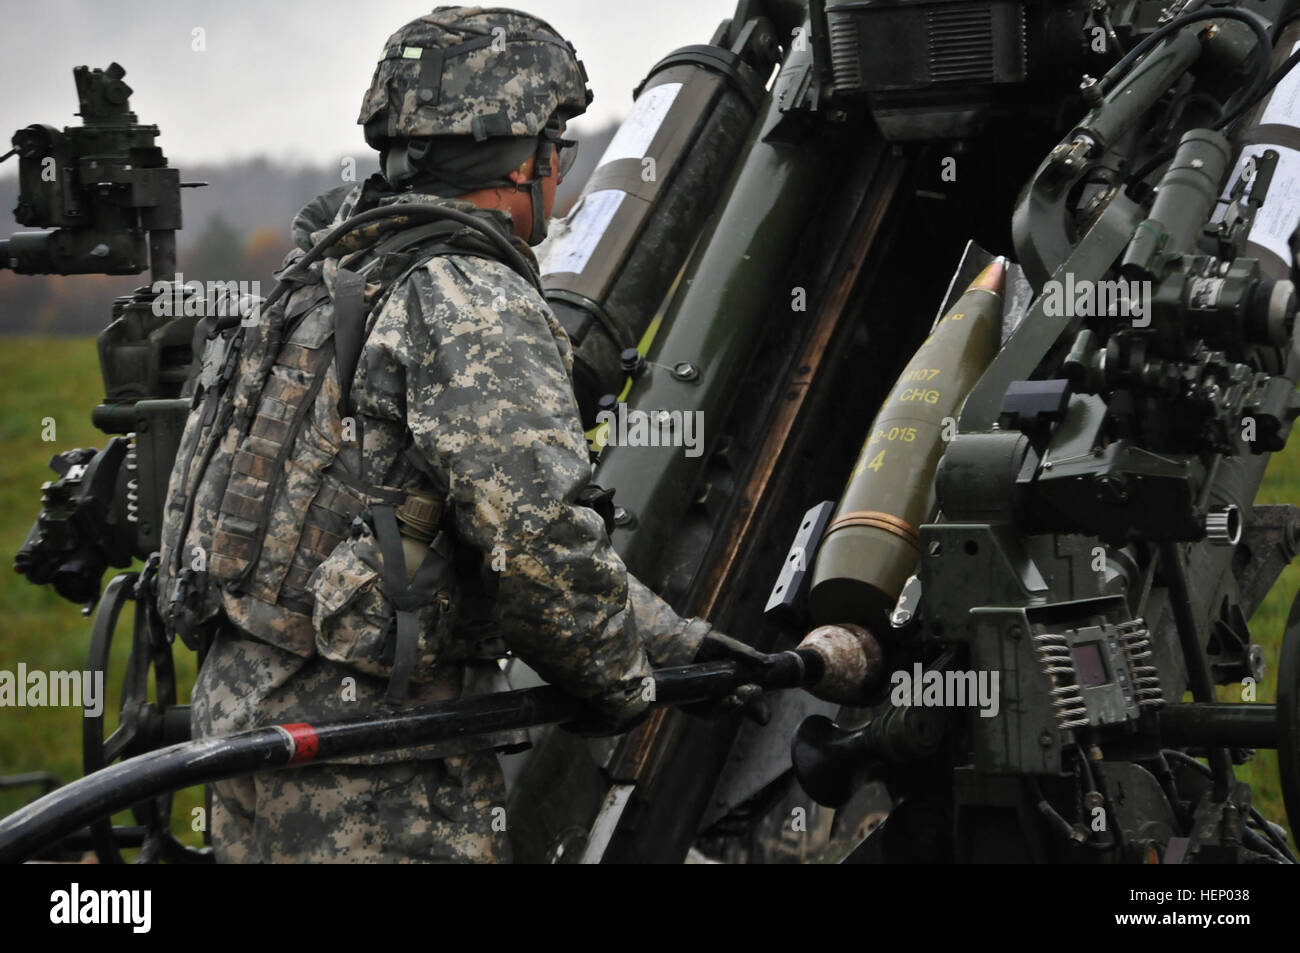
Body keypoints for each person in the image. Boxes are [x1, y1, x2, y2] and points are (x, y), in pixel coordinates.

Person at [162, 6, 717, 863]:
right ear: (521, 160)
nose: (560, 173)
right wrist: (626, 683)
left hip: (247, 724)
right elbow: (536, 546)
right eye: (556, 147)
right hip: (372, 772)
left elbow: (416, 521)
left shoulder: (322, 269)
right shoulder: (467, 295)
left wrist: (680, 641)